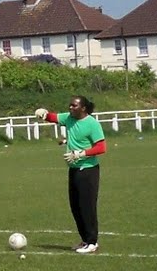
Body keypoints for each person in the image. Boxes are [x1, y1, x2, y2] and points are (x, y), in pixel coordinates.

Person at [36, 96, 107, 254]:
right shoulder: (69, 118)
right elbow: (54, 117)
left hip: (88, 170)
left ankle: (92, 242)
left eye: (74, 106)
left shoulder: (92, 124)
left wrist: (81, 154)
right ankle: (84, 240)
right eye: (70, 105)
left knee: (87, 207)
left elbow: (101, 147)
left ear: (83, 108)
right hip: (74, 169)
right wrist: (44, 114)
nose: (70, 108)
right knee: (76, 207)